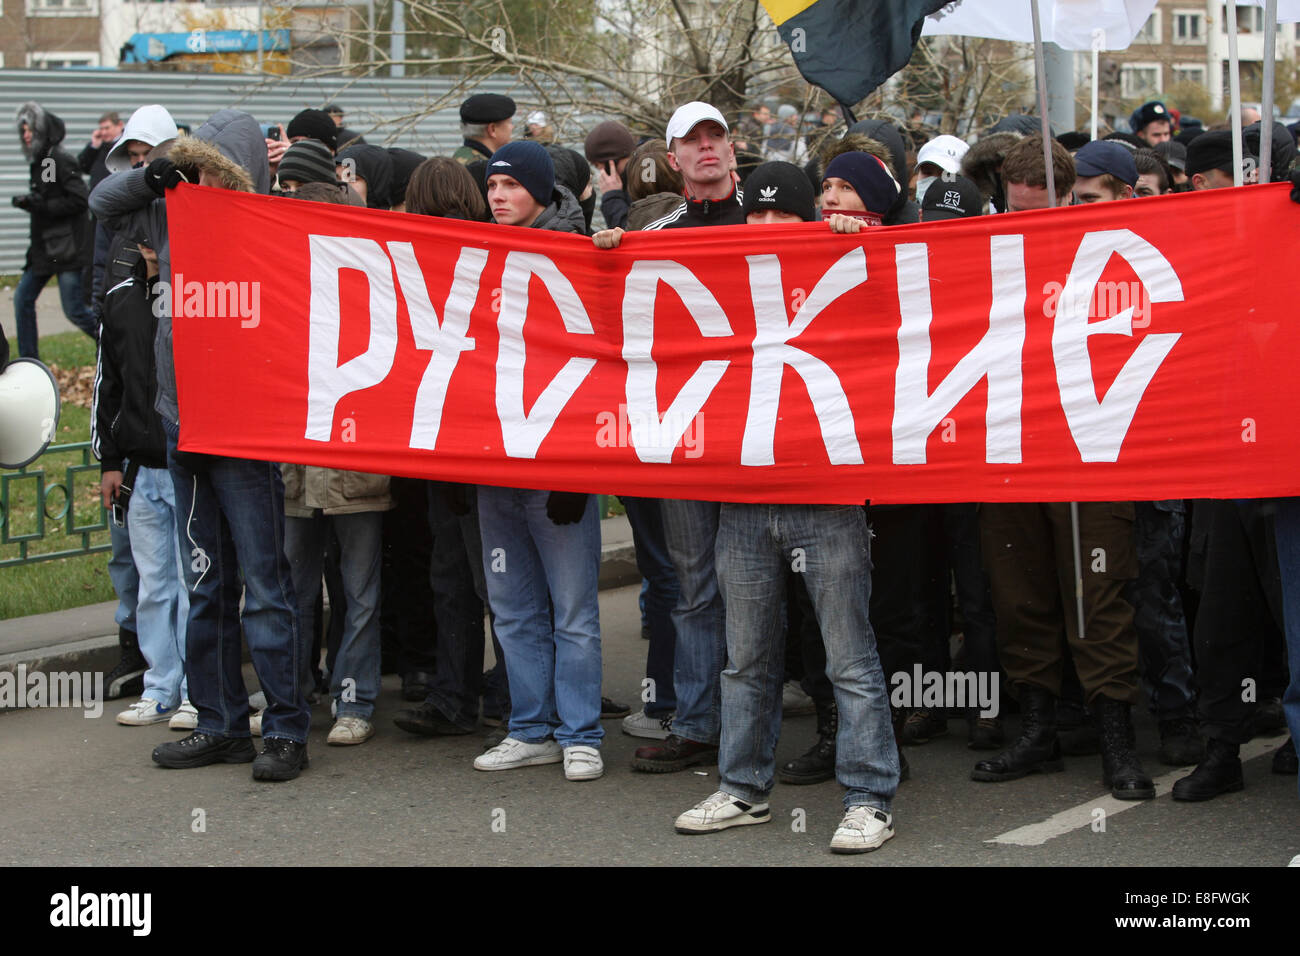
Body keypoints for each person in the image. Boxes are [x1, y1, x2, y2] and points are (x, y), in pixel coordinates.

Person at [673, 161, 900, 854]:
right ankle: (742, 788)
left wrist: (853, 240)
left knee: (849, 657)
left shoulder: (851, 263)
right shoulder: (724, 271)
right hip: (743, 499)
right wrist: (613, 252)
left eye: (784, 215)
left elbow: (909, 296)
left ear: (809, 220)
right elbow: (651, 294)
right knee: (747, 659)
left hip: (827, 497)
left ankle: (870, 798)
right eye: (758, 214)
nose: (768, 227)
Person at [90, 109, 311, 782]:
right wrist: (156, 175)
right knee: (207, 585)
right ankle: (218, 724)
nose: (203, 175)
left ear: (241, 171)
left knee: (266, 589)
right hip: (181, 426)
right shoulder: (171, 206)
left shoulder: (264, 222)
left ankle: (284, 730)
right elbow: (101, 202)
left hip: (243, 432)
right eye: (195, 163)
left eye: (216, 166)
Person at [972, 135, 1155, 801]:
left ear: (1070, 194)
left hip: (1089, 445)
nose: (1026, 220)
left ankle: (1116, 738)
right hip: (1009, 446)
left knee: (1098, 594)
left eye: (1040, 208)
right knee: (1019, 591)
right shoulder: (980, 245)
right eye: (1016, 207)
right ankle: (1039, 728)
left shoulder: (1109, 245)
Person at [594, 102, 745, 774]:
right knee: (693, 590)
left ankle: (758, 725)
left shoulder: (775, 221)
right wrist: (601, 260)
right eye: (693, 141)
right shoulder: (657, 235)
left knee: (763, 586)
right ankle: (697, 724)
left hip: (767, 434)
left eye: (716, 137)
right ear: (675, 158)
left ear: (732, 149)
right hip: (689, 435)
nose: (707, 149)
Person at [470, 140, 604, 782]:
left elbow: (600, 364)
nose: (497, 195)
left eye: (510, 185)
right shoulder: (473, 254)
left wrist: (579, 466)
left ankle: (581, 733)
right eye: (491, 185)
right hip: (495, 464)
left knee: (573, 609)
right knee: (514, 606)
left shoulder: (580, 256)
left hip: (559, 468)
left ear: (542, 191)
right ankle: (531, 729)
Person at [92, 237, 191, 731]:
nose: (151, 238)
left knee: (195, 584)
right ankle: (160, 688)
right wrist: (110, 459)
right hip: (140, 469)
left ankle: (199, 690)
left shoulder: (197, 290)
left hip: (187, 465)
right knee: (154, 586)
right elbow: (108, 384)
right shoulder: (119, 297)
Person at [12, 101, 97, 358]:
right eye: (23, 130)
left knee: (74, 310)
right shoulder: (43, 162)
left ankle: (114, 339)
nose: (26, 135)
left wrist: (39, 204)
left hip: (65, 250)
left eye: (30, 129)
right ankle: (29, 360)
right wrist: (33, 202)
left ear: (42, 129)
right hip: (44, 251)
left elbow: (79, 200)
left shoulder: (55, 160)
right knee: (22, 299)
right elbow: (50, 196)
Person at [452, 92, 516, 203]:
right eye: (509, 122)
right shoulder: (484, 171)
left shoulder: (458, 158)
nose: (512, 127)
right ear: (492, 130)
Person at [583, 120, 638, 230]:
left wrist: (612, 196)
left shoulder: (641, 185)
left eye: (597, 165)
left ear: (610, 162)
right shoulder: (640, 174)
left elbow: (628, 232)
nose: (599, 171)